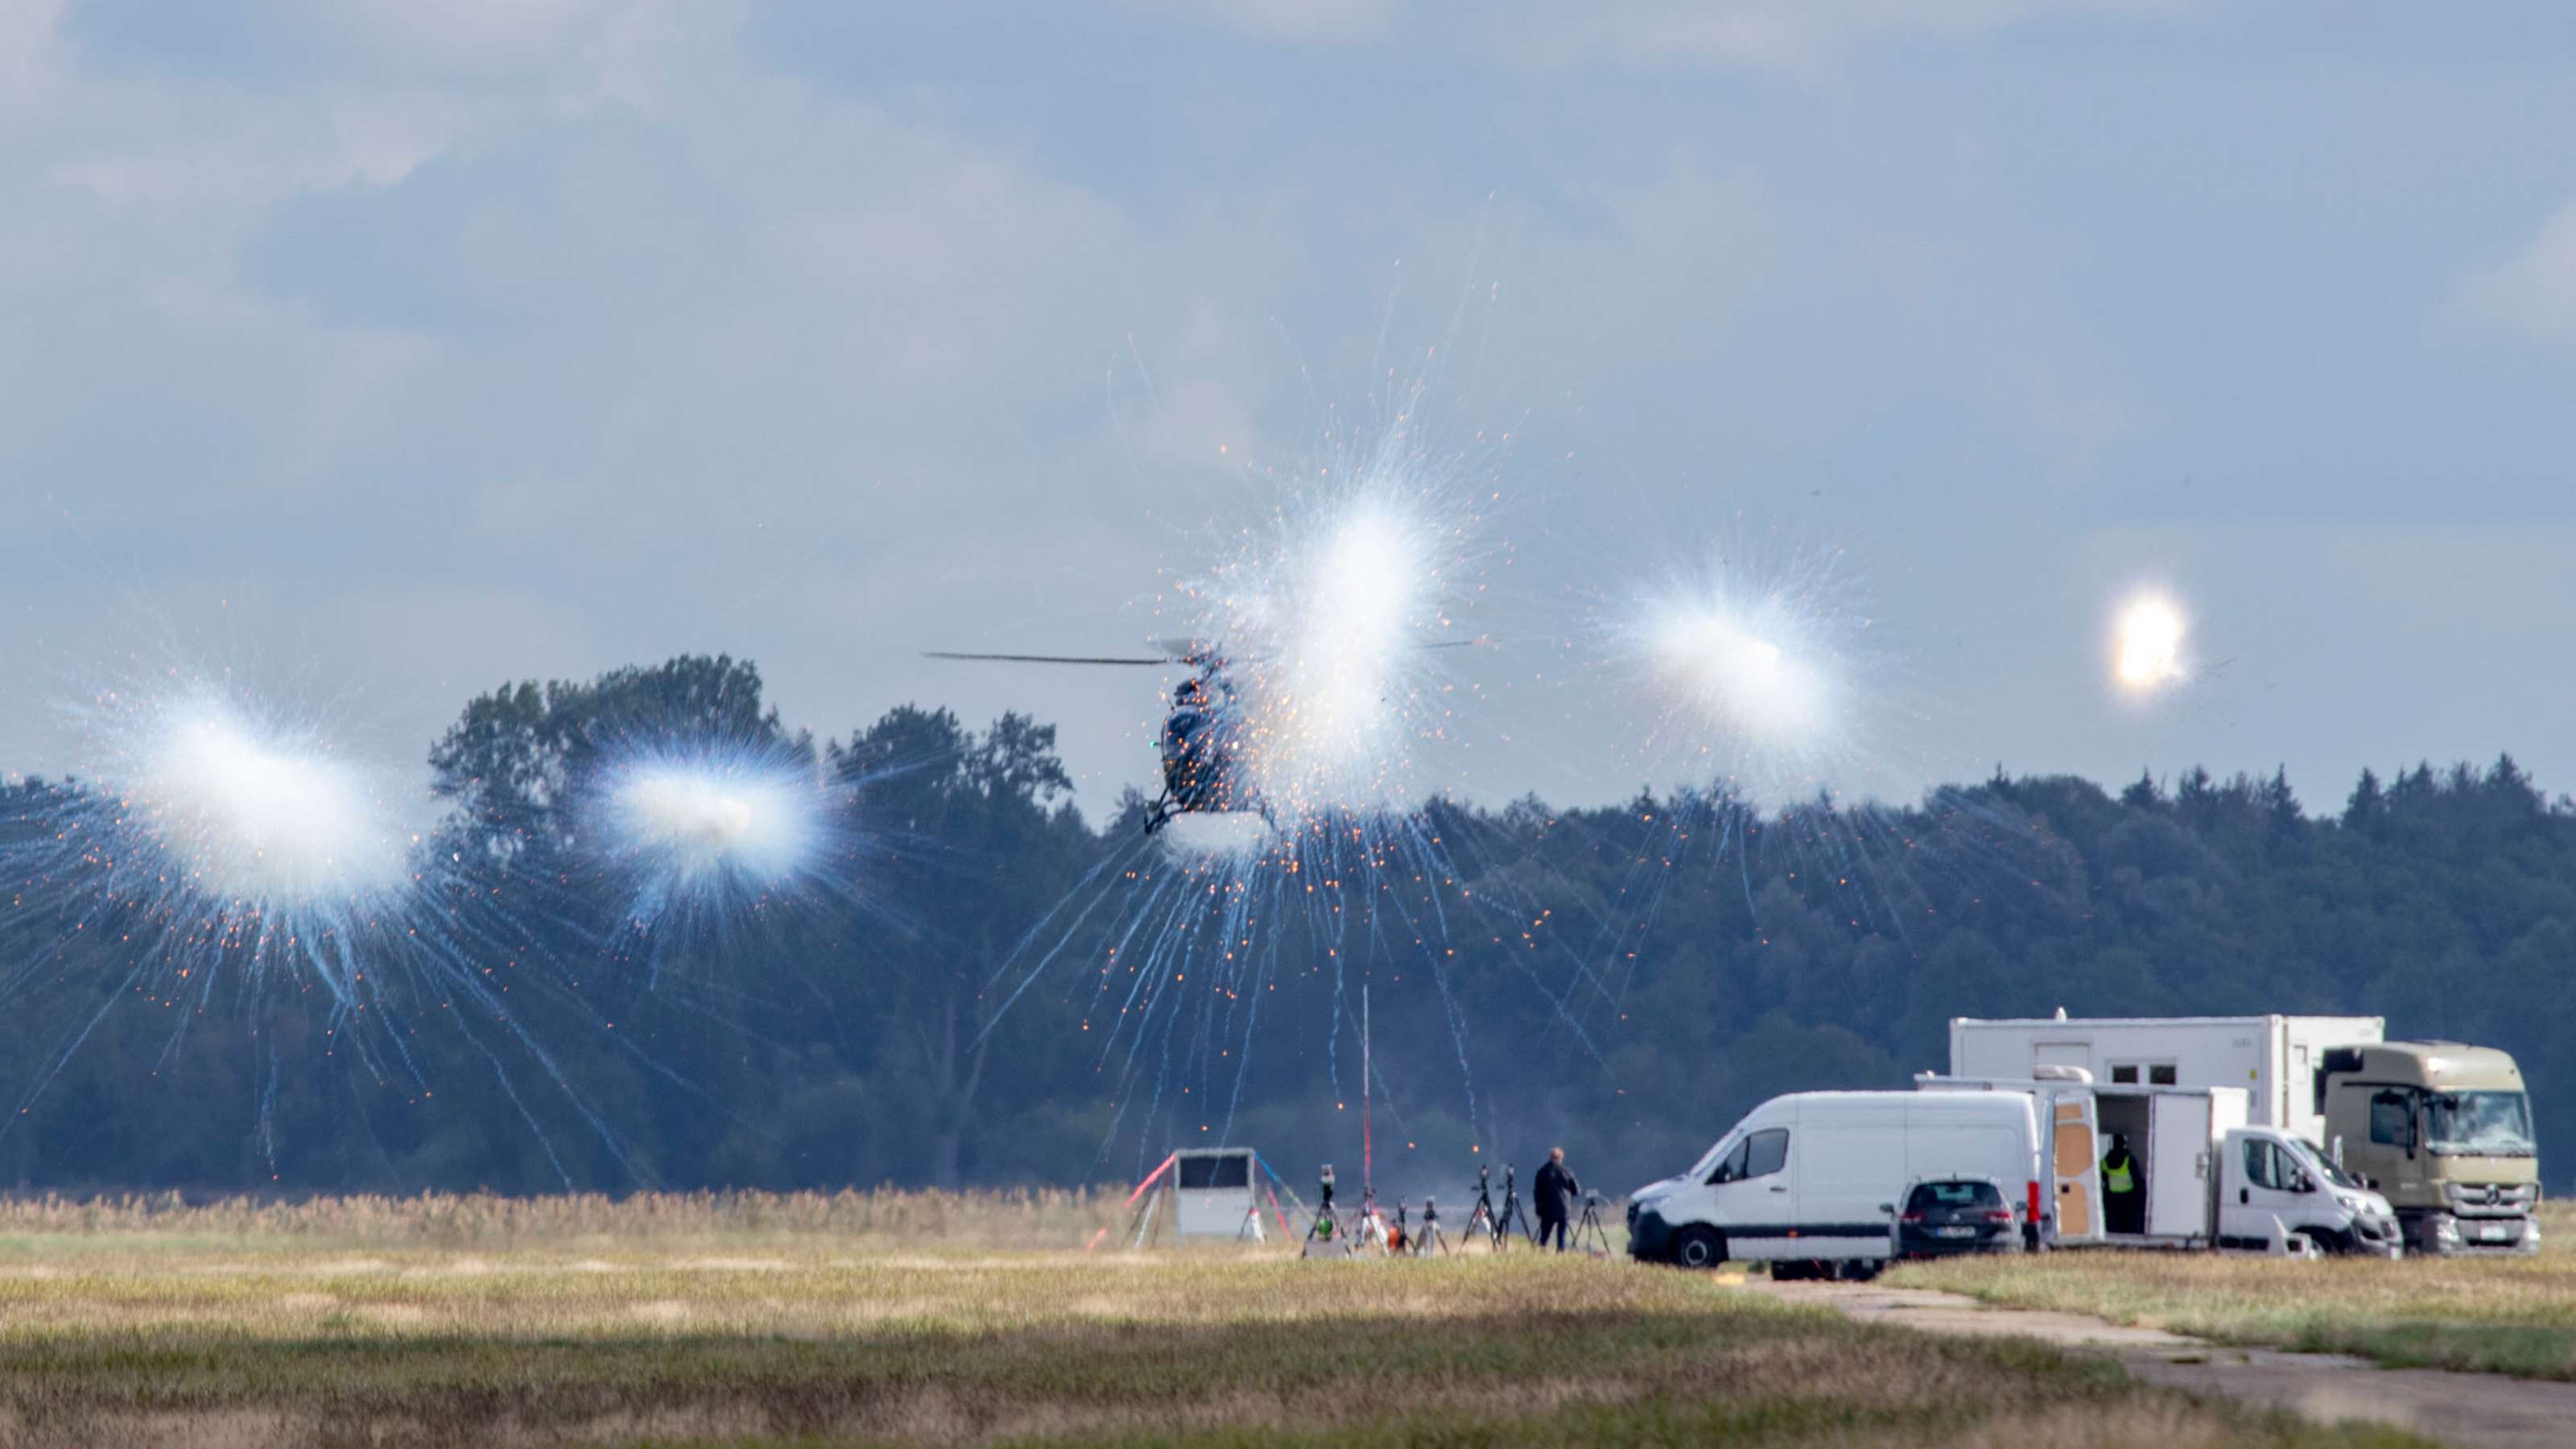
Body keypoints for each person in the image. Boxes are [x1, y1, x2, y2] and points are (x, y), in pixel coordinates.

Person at [1534, 1146, 1580, 1251]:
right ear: (1561, 1158)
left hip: (1548, 1209)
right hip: (1564, 1209)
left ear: (1550, 1157)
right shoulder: (1567, 1171)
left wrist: (1538, 1210)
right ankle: (1560, 1255)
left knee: (1544, 1236)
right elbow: (1576, 1191)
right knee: (1561, 1236)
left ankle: (1541, 1254)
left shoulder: (1542, 1172)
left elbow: (1537, 1193)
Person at [2100, 1133, 2144, 1234]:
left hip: (2112, 1197)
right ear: (2124, 1144)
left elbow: (2103, 1178)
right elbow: (2136, 1178)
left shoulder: (2105, 1161)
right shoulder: (2129, 1160)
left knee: (2114, 1224)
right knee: (2128, 1225)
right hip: (2128, 1197)